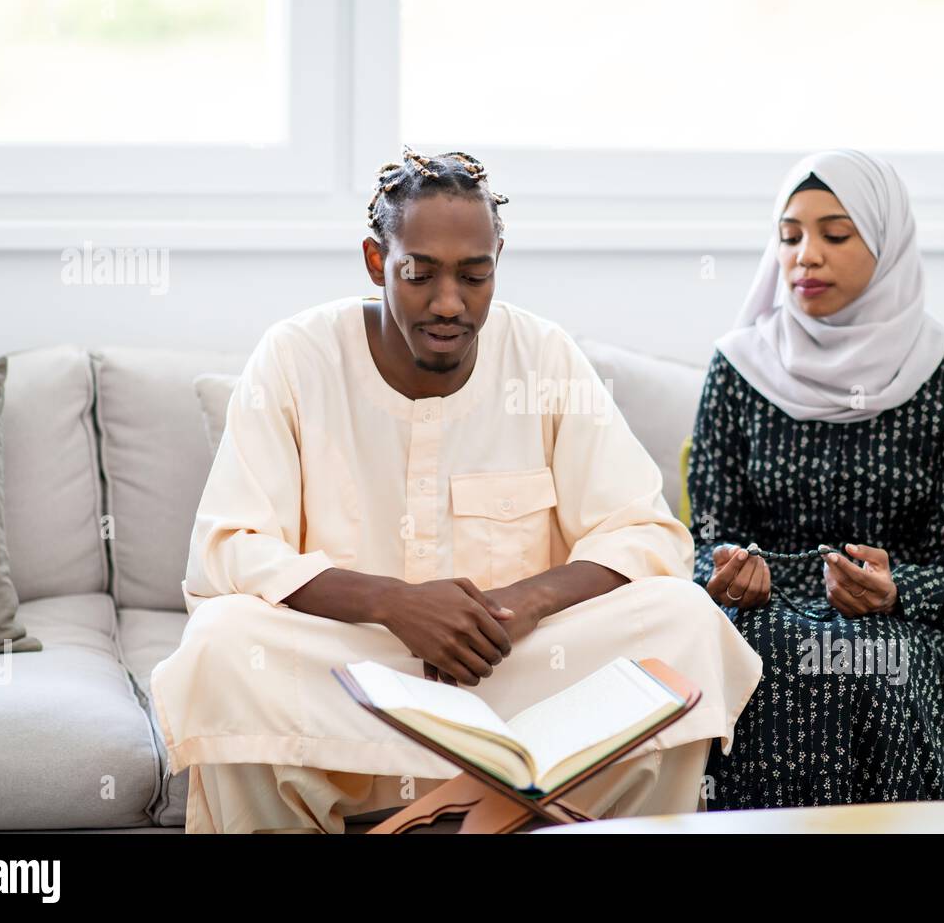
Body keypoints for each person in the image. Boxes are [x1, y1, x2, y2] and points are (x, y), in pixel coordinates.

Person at [150, 147, 762, 833]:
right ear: (377, 261)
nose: (449, 303)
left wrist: (524, 604)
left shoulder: (544, 355)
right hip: (355, 675)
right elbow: (232, 548)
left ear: (497, 260)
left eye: (474, 276)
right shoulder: (296, 356)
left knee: (682, 617)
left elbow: (643, 534)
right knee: (225, 640)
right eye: (420, 274)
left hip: (512, 675)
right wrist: (393, 605)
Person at [687, 148, 944, 809]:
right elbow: (705, 539)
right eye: (789, 237)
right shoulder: (737, 370)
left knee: (884, 673)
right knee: (769, 675)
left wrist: (896, 587)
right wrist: (727, 572)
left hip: (907, 625)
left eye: (834, 235)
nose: (804, 256)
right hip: (769, 617)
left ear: (887, 244)